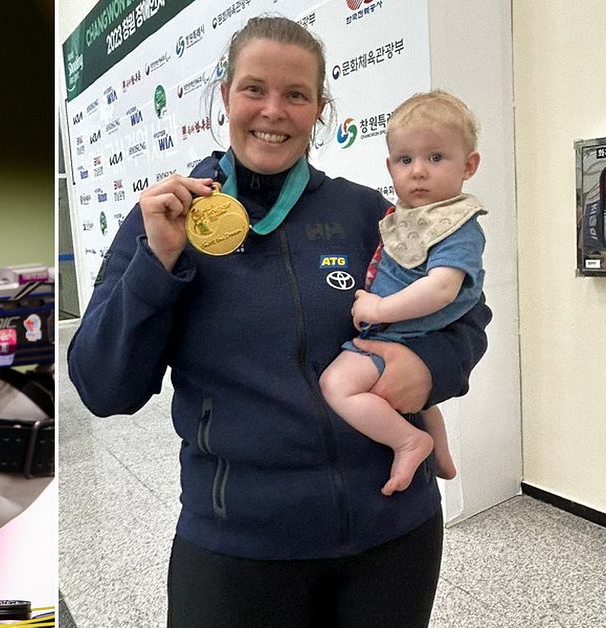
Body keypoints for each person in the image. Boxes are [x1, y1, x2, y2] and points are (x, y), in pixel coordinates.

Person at [67, 15, 490, 628]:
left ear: (320, 108)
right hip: (238, 548)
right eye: (254, 89)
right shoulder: (169, 221)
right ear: (225, 96)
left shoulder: (366, 210)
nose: (273, 110)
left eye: (296, 95)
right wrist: (157, 263)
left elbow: (467, 317)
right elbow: (105, 388)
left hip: (392, 530)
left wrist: (428, 369)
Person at [320, 90, 485, 497]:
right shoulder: (406, 217)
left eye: (435, 158)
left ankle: (409, 442)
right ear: (390, 166)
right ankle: (441, 452)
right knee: (424, 402)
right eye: (406, 160)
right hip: (399, 336)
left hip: (399, 336)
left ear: (469, 166)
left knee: (336, 385)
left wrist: (379, 307)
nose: (418, 172)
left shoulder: (456, 224)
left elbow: (444, 288)